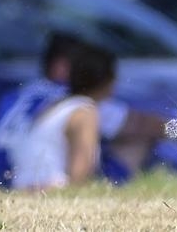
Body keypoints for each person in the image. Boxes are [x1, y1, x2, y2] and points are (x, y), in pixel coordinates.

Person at [0, 32, 165, 188]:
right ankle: (121, 187)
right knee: (136, 140)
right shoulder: (77, 104)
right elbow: (142, 124)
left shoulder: (17, 95)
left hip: (1, 176)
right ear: (62, 66)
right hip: (43, 186)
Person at [9, 40, 117, 190]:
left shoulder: (56, 105)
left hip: (23, 188)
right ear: (108, 81)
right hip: (47, 190)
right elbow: (79, 177)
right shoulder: (84, 112)